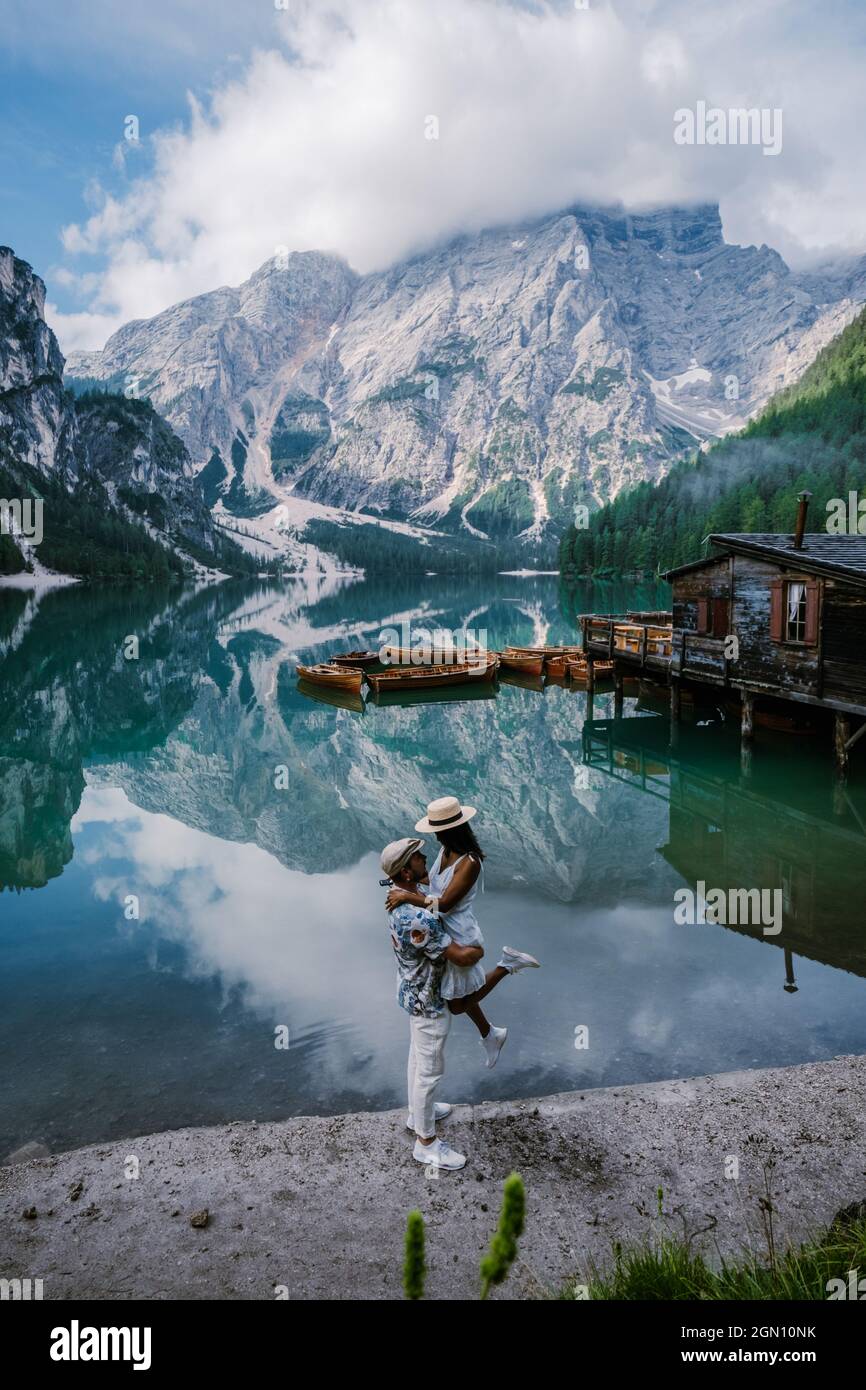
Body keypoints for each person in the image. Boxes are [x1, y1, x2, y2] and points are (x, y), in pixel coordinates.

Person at [386, 797, 539, 1069]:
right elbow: (434, 882)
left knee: (456, 1004)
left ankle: (507, 965)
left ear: (448, 830)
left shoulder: (470, 862)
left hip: (459, 931)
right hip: (440, 927)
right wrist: (401, 878)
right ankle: (490, 1034)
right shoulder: (445, 851)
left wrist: (407, 898)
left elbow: (445, 903)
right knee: (459, 993)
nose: (433, 835)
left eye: (436, 830)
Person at [382, 836, 482, 1170]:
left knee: (416, 1057)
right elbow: (463, 957)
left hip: (411, 990)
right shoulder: (419, 919)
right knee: (430, 1070)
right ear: (407, 873)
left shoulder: (398, 899)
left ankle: (417, 1114)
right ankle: (426, 1143)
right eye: (419, 858)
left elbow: (429, 898)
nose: (426, 859)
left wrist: (419, 891)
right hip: (429, 998)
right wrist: (478, 950)